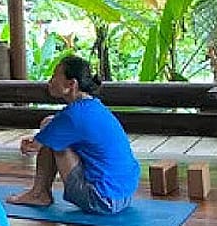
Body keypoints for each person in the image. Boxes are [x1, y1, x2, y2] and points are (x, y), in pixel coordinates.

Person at [9, 55, 139, 214]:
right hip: (124, 195)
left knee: (53, 135)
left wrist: (28, 144)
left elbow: (33, 147)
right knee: (51, 126)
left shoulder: (72, 116)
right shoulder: (93, 105)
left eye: (54, 76)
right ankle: (40, 192)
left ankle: (39, 194)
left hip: (102, 200)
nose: (50, 81)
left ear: (71, 84)